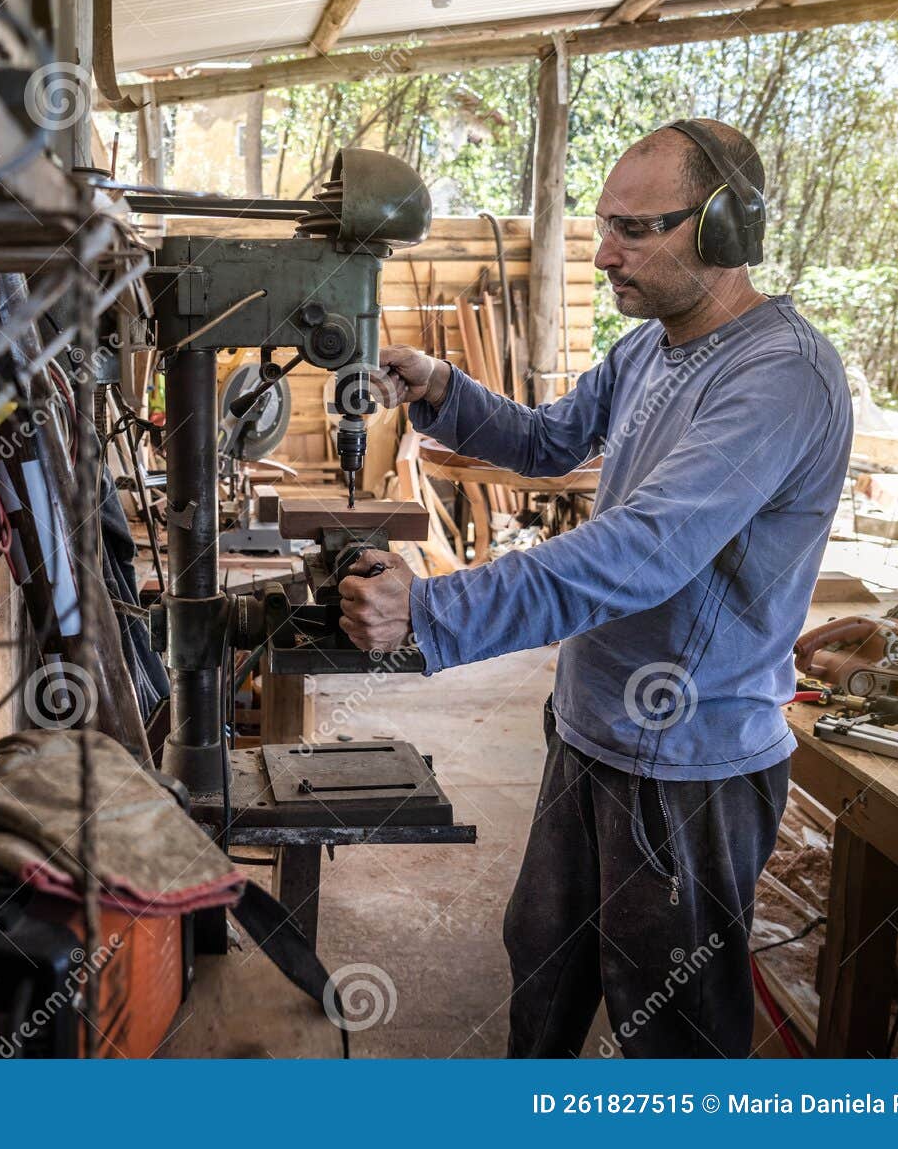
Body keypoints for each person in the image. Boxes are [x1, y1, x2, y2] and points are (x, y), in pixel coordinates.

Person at [337, 119, 853, 1057]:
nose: (604, 253)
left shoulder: (781, 379)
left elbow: (639, 554)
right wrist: (442, 383)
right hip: (591, 728)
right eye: (602, 225)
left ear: (727, 229)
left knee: (670, 1028)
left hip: (687, 762)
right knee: (544, 959)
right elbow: (548, 441)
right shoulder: (650, 347)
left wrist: (434, 608)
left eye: (635, 230)